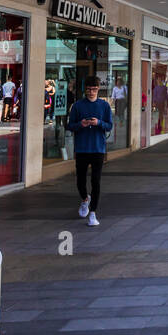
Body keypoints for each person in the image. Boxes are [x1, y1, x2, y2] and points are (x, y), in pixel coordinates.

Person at [66, 75, 113, 227]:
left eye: (94, 89)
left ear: (98, 89)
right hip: (81, 148)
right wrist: (81, 124)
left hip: (98, 148)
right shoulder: (78, 106)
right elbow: (71, 125)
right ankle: (85, 199)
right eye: (88, 89)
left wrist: (98, 122)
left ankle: (93, 213)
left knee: (96, 181)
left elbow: (109, 125)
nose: (91, 92)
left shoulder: (104, 106)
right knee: (80, 180)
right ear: (84, 90)